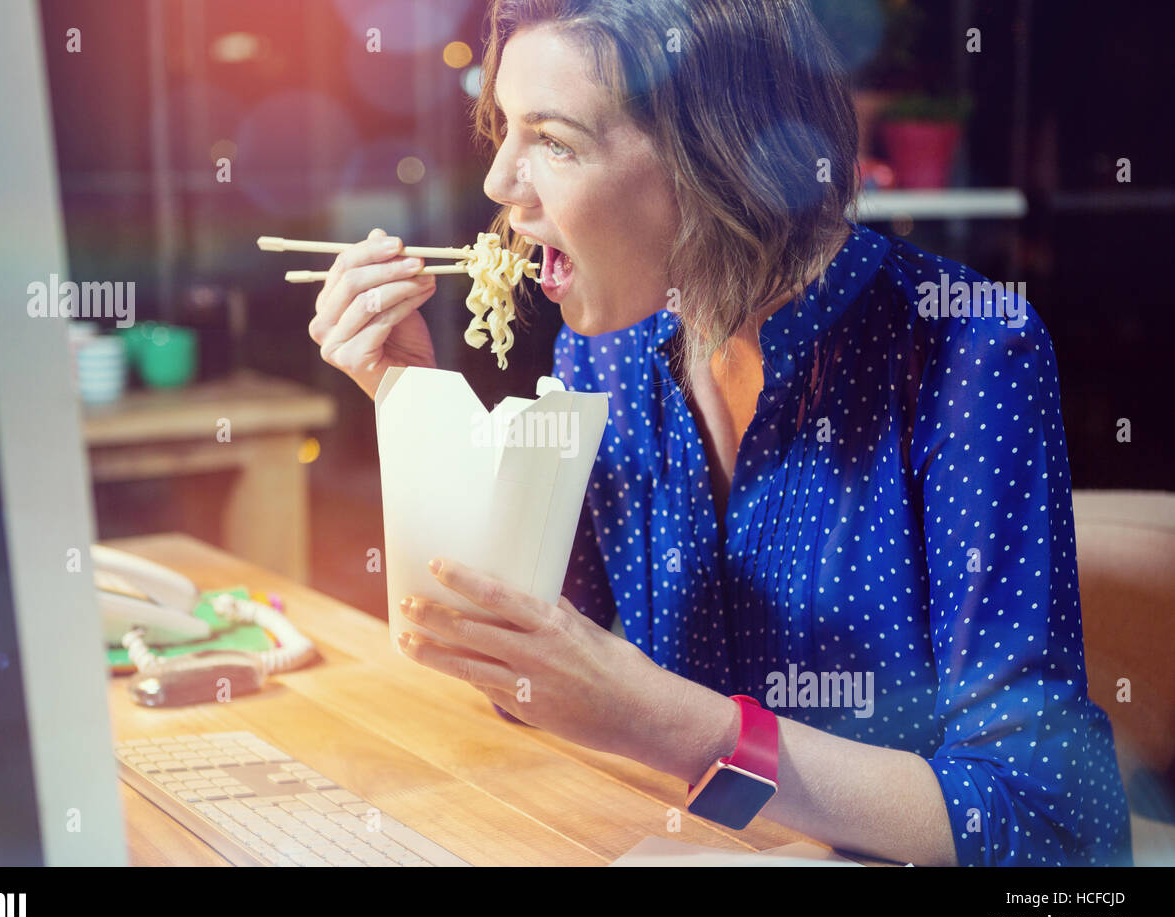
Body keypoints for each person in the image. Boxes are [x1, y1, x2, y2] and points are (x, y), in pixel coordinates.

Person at [307, 0, 1131, 866]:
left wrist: (663, 720)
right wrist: (414, 400)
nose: (500, 184)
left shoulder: (969, 350)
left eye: (553, 140)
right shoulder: (610, 349)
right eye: (504, 130)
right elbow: (526, 673)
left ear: (714, 159)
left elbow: (1053, 830)